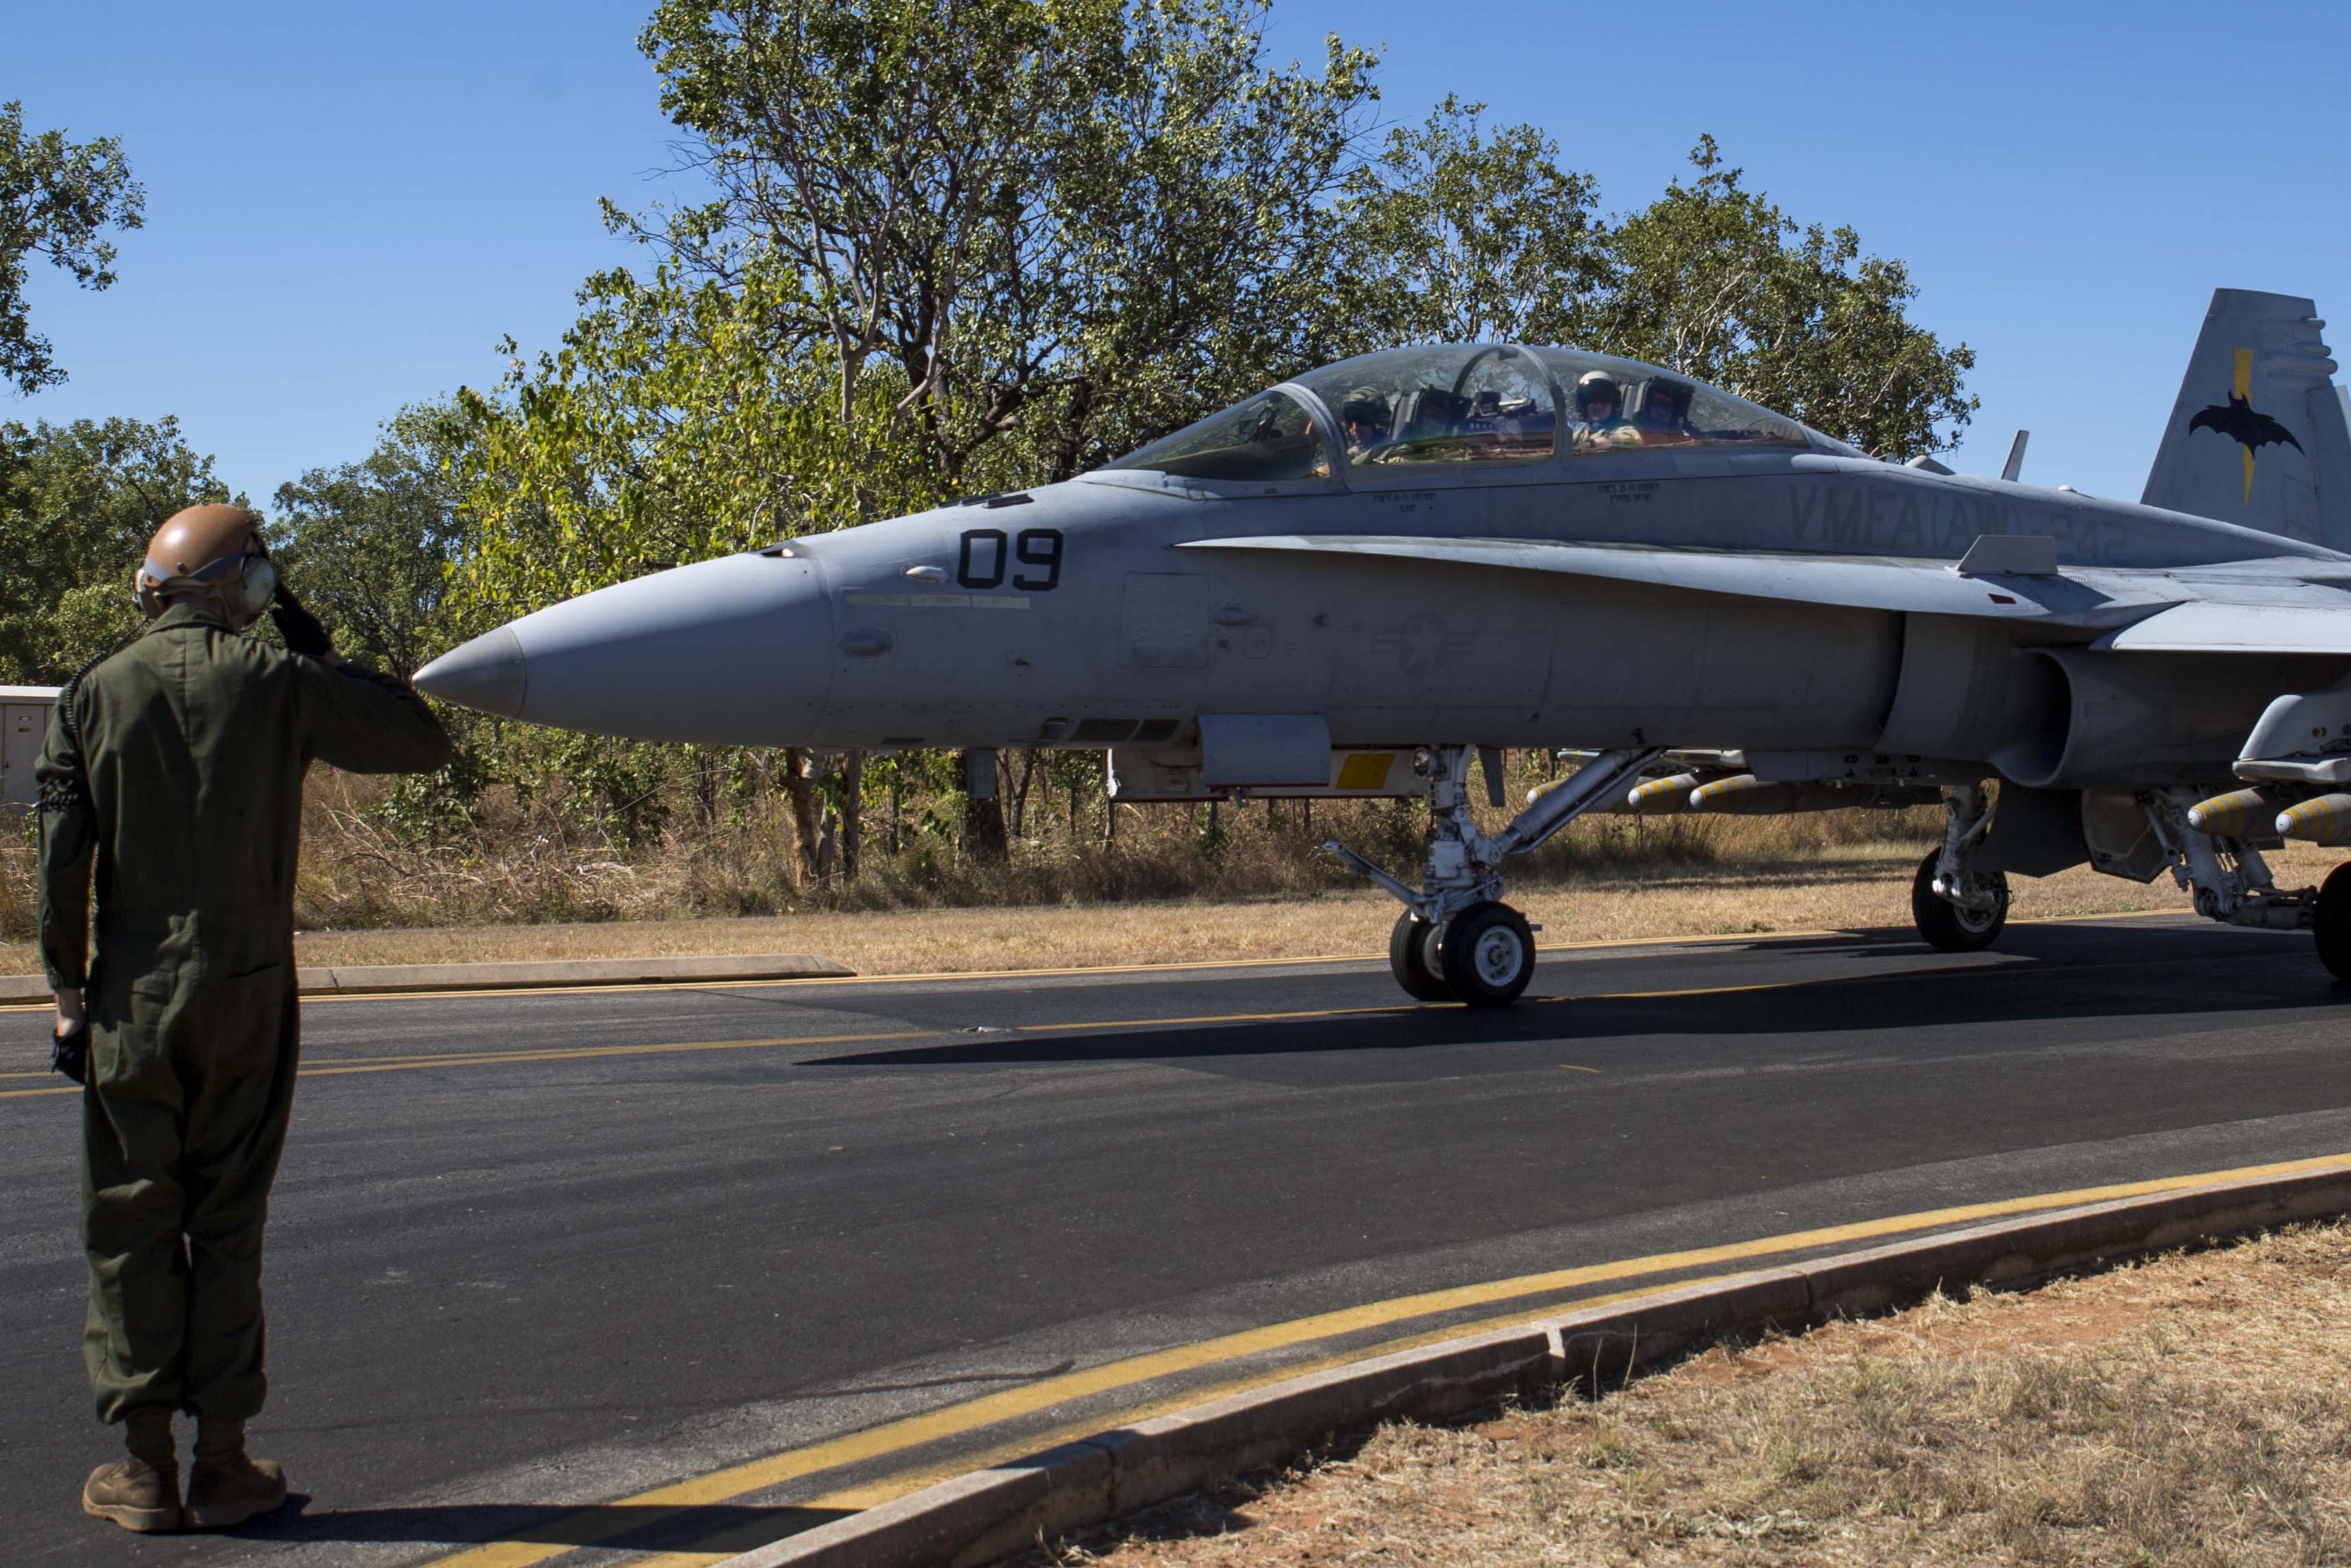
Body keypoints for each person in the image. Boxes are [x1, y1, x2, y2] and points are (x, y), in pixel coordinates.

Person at [39, 504, 451, 1533]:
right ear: (238, 587)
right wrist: (312, 639)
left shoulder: (92, 691)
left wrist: (66, 996)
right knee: (226, 1220)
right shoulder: (281, 683)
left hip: (129, 999)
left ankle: (142, 1470)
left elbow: (61, 867)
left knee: (130, 1219)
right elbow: (420, 739)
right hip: (248, 988)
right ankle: (221, 1464)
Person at [1569, 370, 1639, 450]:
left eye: (1604, 400)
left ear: (1614, 404)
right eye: (1592, 400)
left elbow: (1632, 440)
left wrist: (1592, 444)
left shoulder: (1624, 426)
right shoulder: (1582, 433)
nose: (1599, 406)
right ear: (1584, 405)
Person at [1338, 388, 1391, 460]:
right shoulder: (1348, 457)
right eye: (1350, 422)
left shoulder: (1397, 460)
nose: (1355, 428)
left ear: (1378, 422)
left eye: (1361, 420)